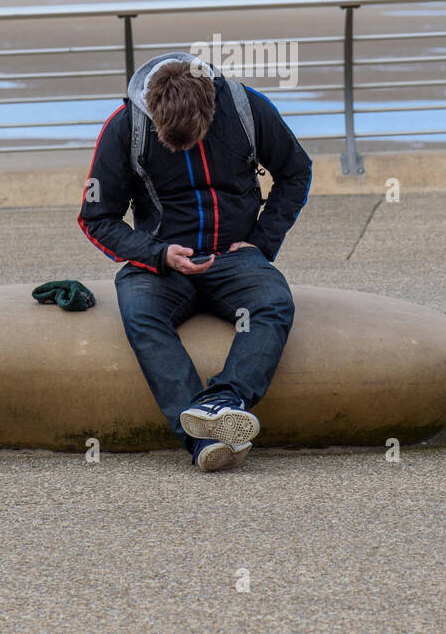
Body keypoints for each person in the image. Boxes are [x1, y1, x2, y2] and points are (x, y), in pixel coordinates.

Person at [78, 52, 312, 471]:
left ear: (211, 107)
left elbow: (296, 172)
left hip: (235, 258)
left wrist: (261, 243)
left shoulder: (245, 108)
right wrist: (158, 254)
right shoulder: (126, 126)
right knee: (141, 315)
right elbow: (96, 218)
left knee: (274, 303)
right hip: (161, 263)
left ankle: (224, 399)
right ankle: (203, 438)